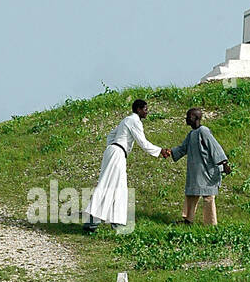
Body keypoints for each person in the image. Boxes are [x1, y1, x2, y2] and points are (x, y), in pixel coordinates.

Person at [82, 99, 170, 232]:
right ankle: (92, 221)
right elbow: (143, 142)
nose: (147, 112)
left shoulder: (126, 120)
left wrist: (113, 147)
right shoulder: (134, 120)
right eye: (145, 109)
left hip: (115, 152)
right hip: (117, 153)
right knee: (108, 184)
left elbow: (111, 135)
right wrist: (160, 151)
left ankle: (116, 221)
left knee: (119, 187)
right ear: (138, 110)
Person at [169, 107, 230, 226]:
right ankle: (188, 220)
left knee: (208, 196)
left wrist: (224, 163)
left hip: (207, 170)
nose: (186, 118)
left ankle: (210, 223)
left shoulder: (204, 131)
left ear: (196, 118)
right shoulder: (192, 134)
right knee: (191, 194)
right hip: (195, 170)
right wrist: (170, 152)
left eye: (189, 116)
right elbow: (183, 148)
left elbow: (215, 147)